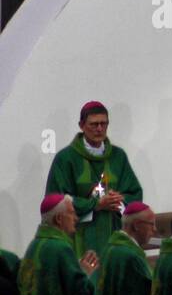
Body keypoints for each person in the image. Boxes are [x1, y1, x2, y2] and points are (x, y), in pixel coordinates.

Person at [45, 101, 142, 260]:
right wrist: (95, 205)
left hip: (114, 233)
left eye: (103, 124)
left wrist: (118, 201)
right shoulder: (66, 158)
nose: (99, 129)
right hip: (79, 236)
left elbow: (135, 192)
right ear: (81, 125)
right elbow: (55, 202)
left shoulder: (118, 156)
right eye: (94, 124)